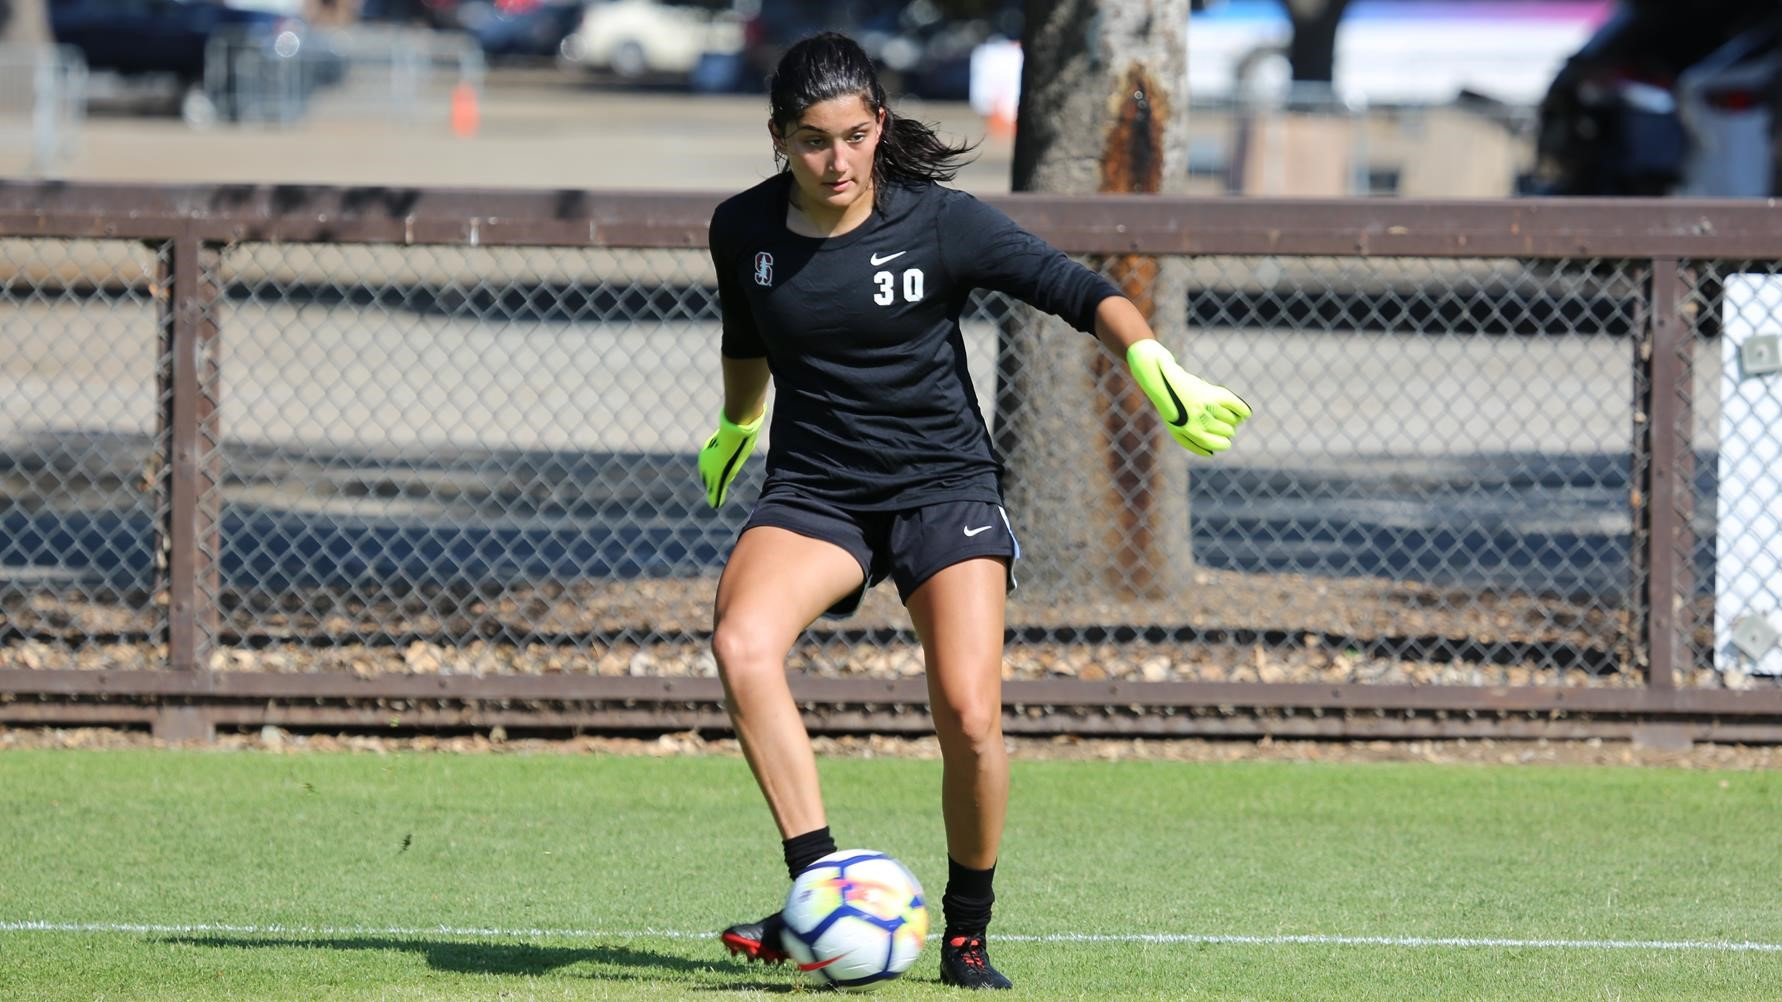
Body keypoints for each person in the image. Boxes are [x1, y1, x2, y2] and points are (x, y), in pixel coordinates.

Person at [701, 32, 1252, 991]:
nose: (840, 162)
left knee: (968, 712)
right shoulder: (742, 228)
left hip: (941, 488)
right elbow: (744, 337)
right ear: (781, 137)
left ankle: (965, 934)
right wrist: (737, 420)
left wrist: (1152, 359)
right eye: (815, 141)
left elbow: (1080, 290)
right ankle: (820, 895)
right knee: (743, 646)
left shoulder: (937, 221)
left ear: (879, 124)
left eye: (856, 136)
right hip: (817, 490)